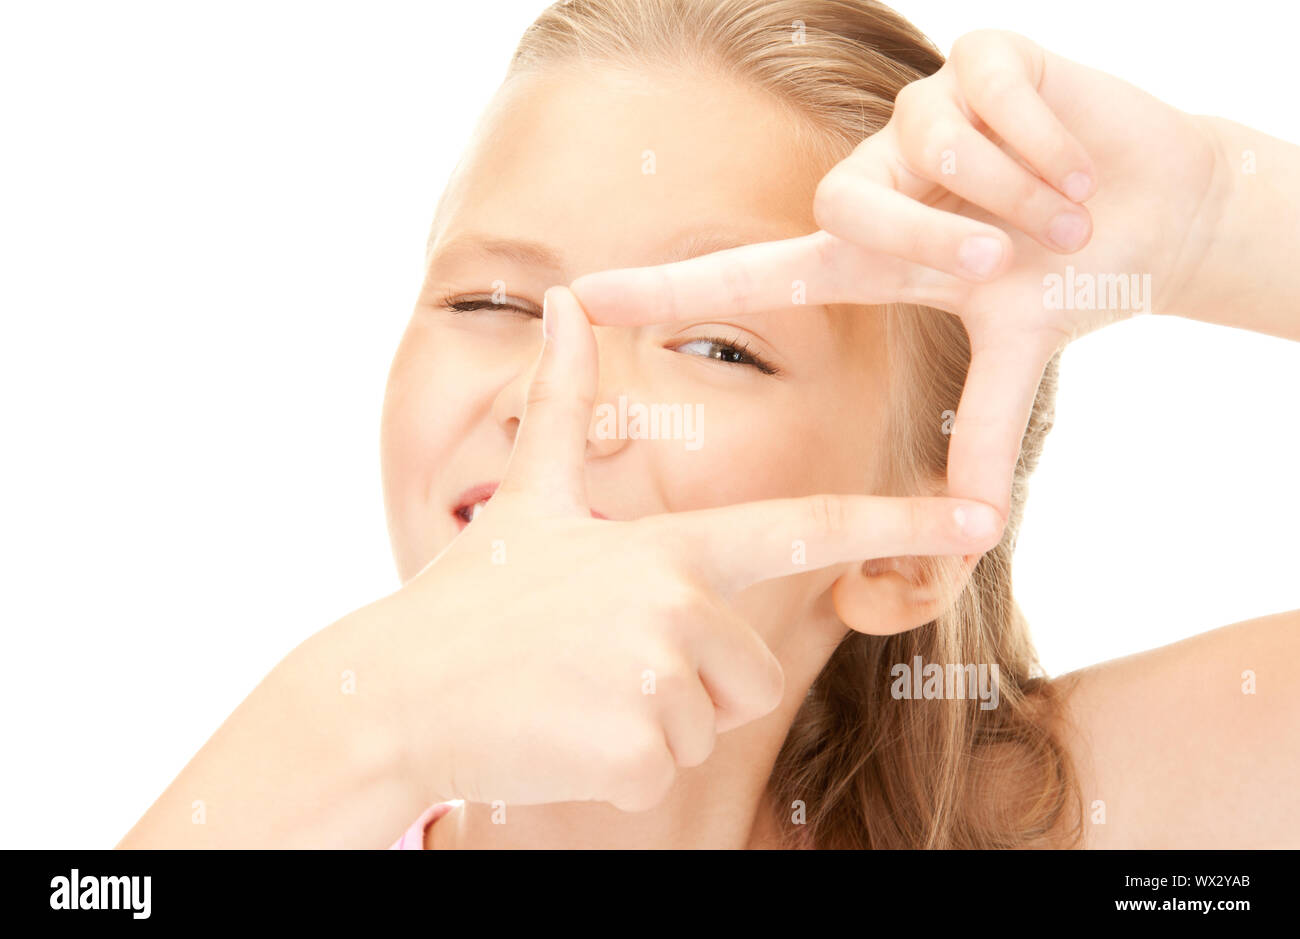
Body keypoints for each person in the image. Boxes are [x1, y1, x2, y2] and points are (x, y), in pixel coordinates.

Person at [120, 0, 1300, 850]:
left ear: (907, 547)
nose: (551, 398)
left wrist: (1223, 222)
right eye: (493, 303)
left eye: (717, 346)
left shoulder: (1048, 824)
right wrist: (361, 723)